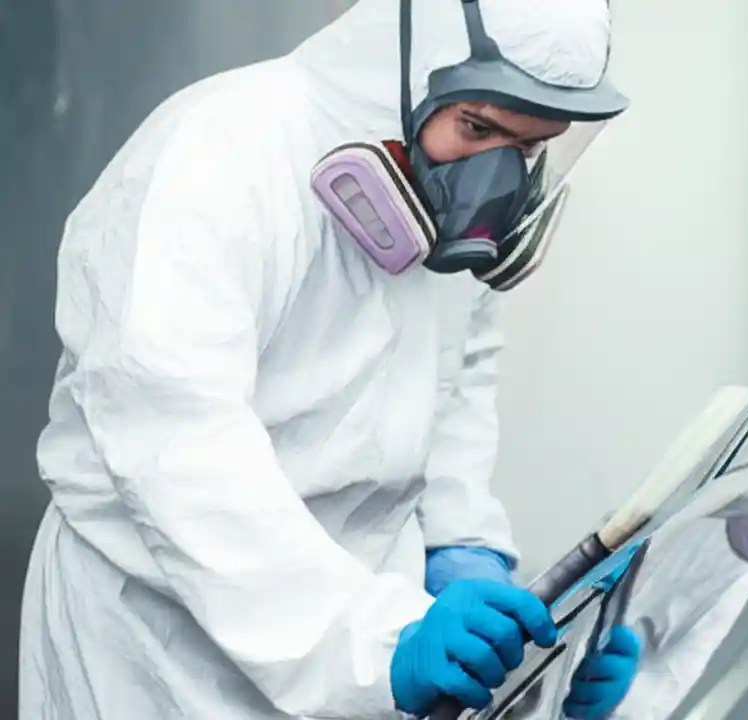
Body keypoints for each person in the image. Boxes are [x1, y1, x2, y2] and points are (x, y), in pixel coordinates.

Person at [18, 0, 641, 717]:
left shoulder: (442, 220)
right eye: (478, 128)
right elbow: (176, 447)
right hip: (157, 645)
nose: (495, 178)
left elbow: (455, 383)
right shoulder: (218, 156)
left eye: (528, 150)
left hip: (362, 628)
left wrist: (460, 547)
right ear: (408, 74)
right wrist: (370, 641)